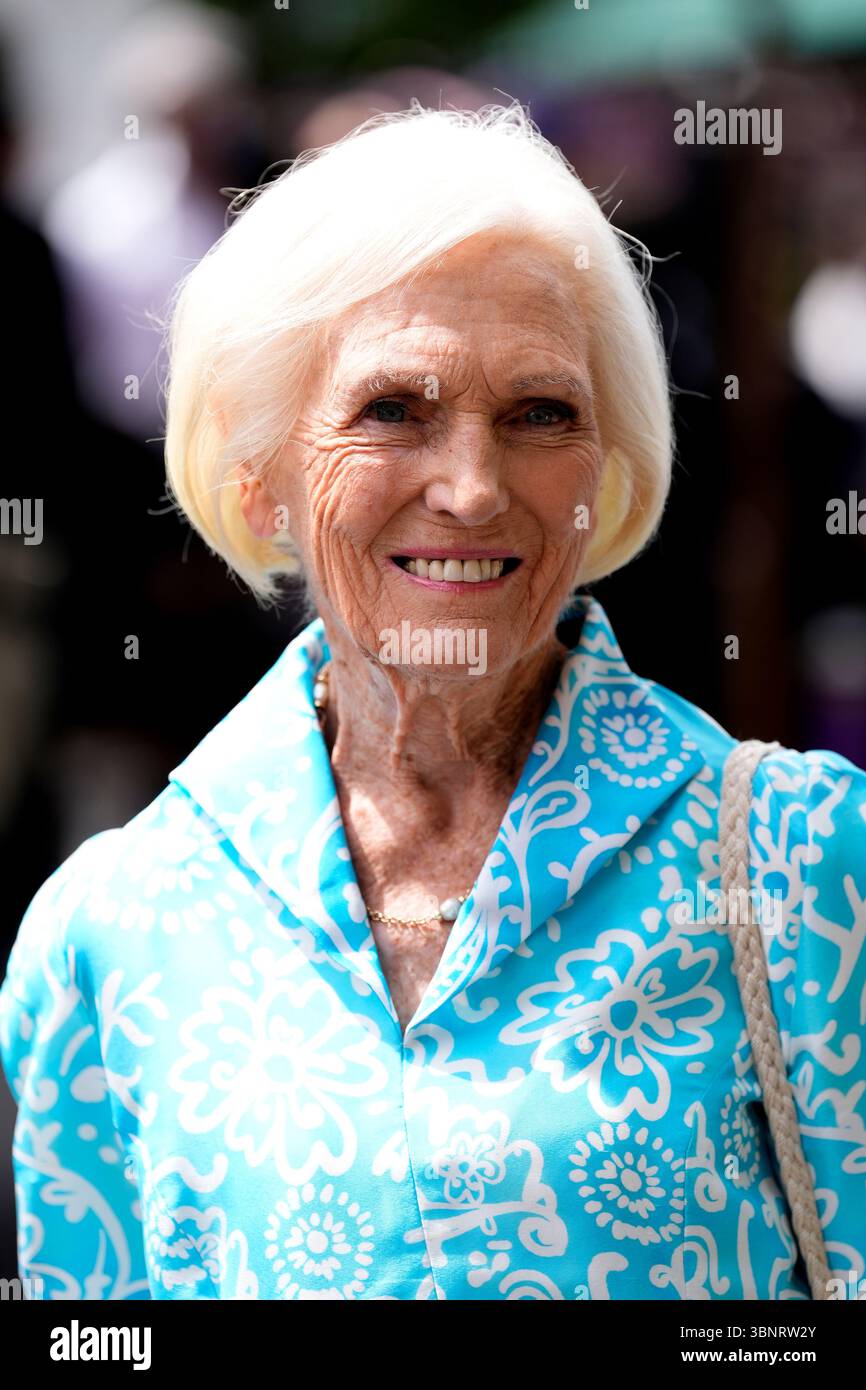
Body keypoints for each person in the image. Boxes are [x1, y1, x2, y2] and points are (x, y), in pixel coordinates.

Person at [1, 104, 864, 1301]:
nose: (469, 487)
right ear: (260, 479)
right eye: (391, 410)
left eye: (539, 414)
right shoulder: (107, 932)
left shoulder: (798, 862)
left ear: (604, 470)